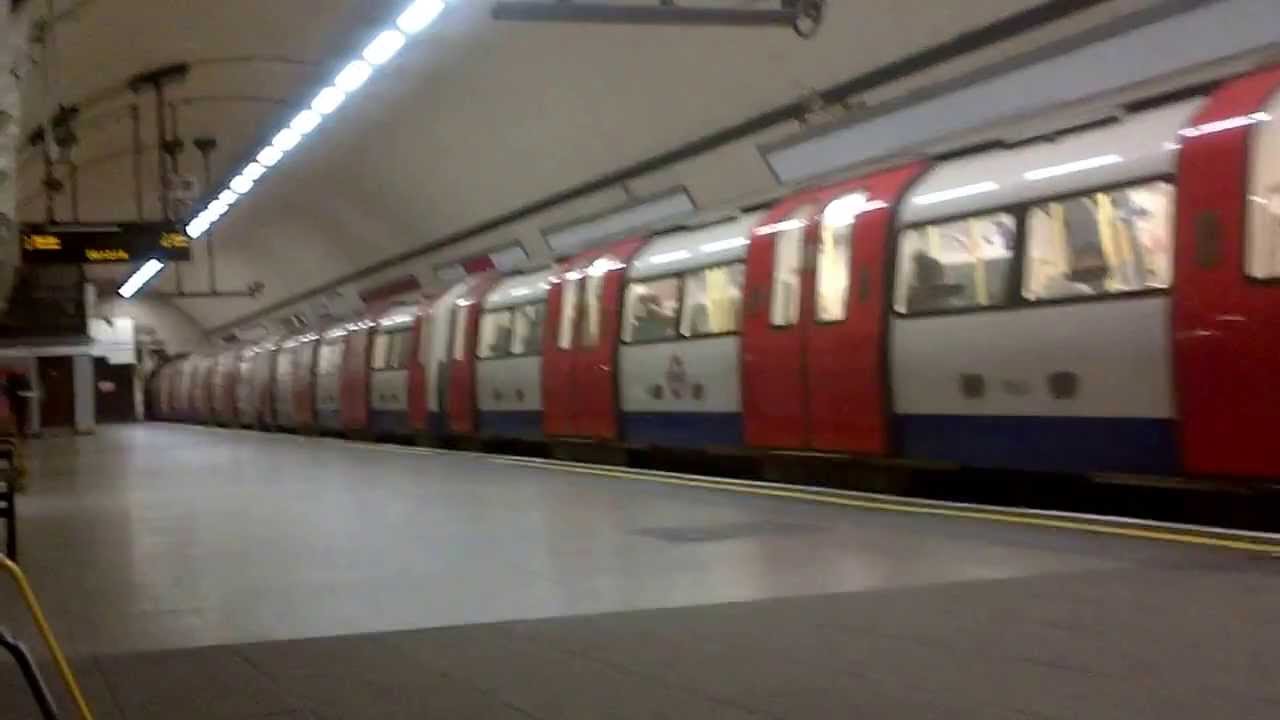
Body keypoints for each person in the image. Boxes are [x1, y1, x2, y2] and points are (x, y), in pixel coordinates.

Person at [4, 372, 32, 438]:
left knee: (18, 418)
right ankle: (20, 432)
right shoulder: (24, 380)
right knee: (22, 418)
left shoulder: (11, 381)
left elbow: (7, 392)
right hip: (22, 402)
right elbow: (29, 390)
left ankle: (19, 432)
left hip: (17, 402)